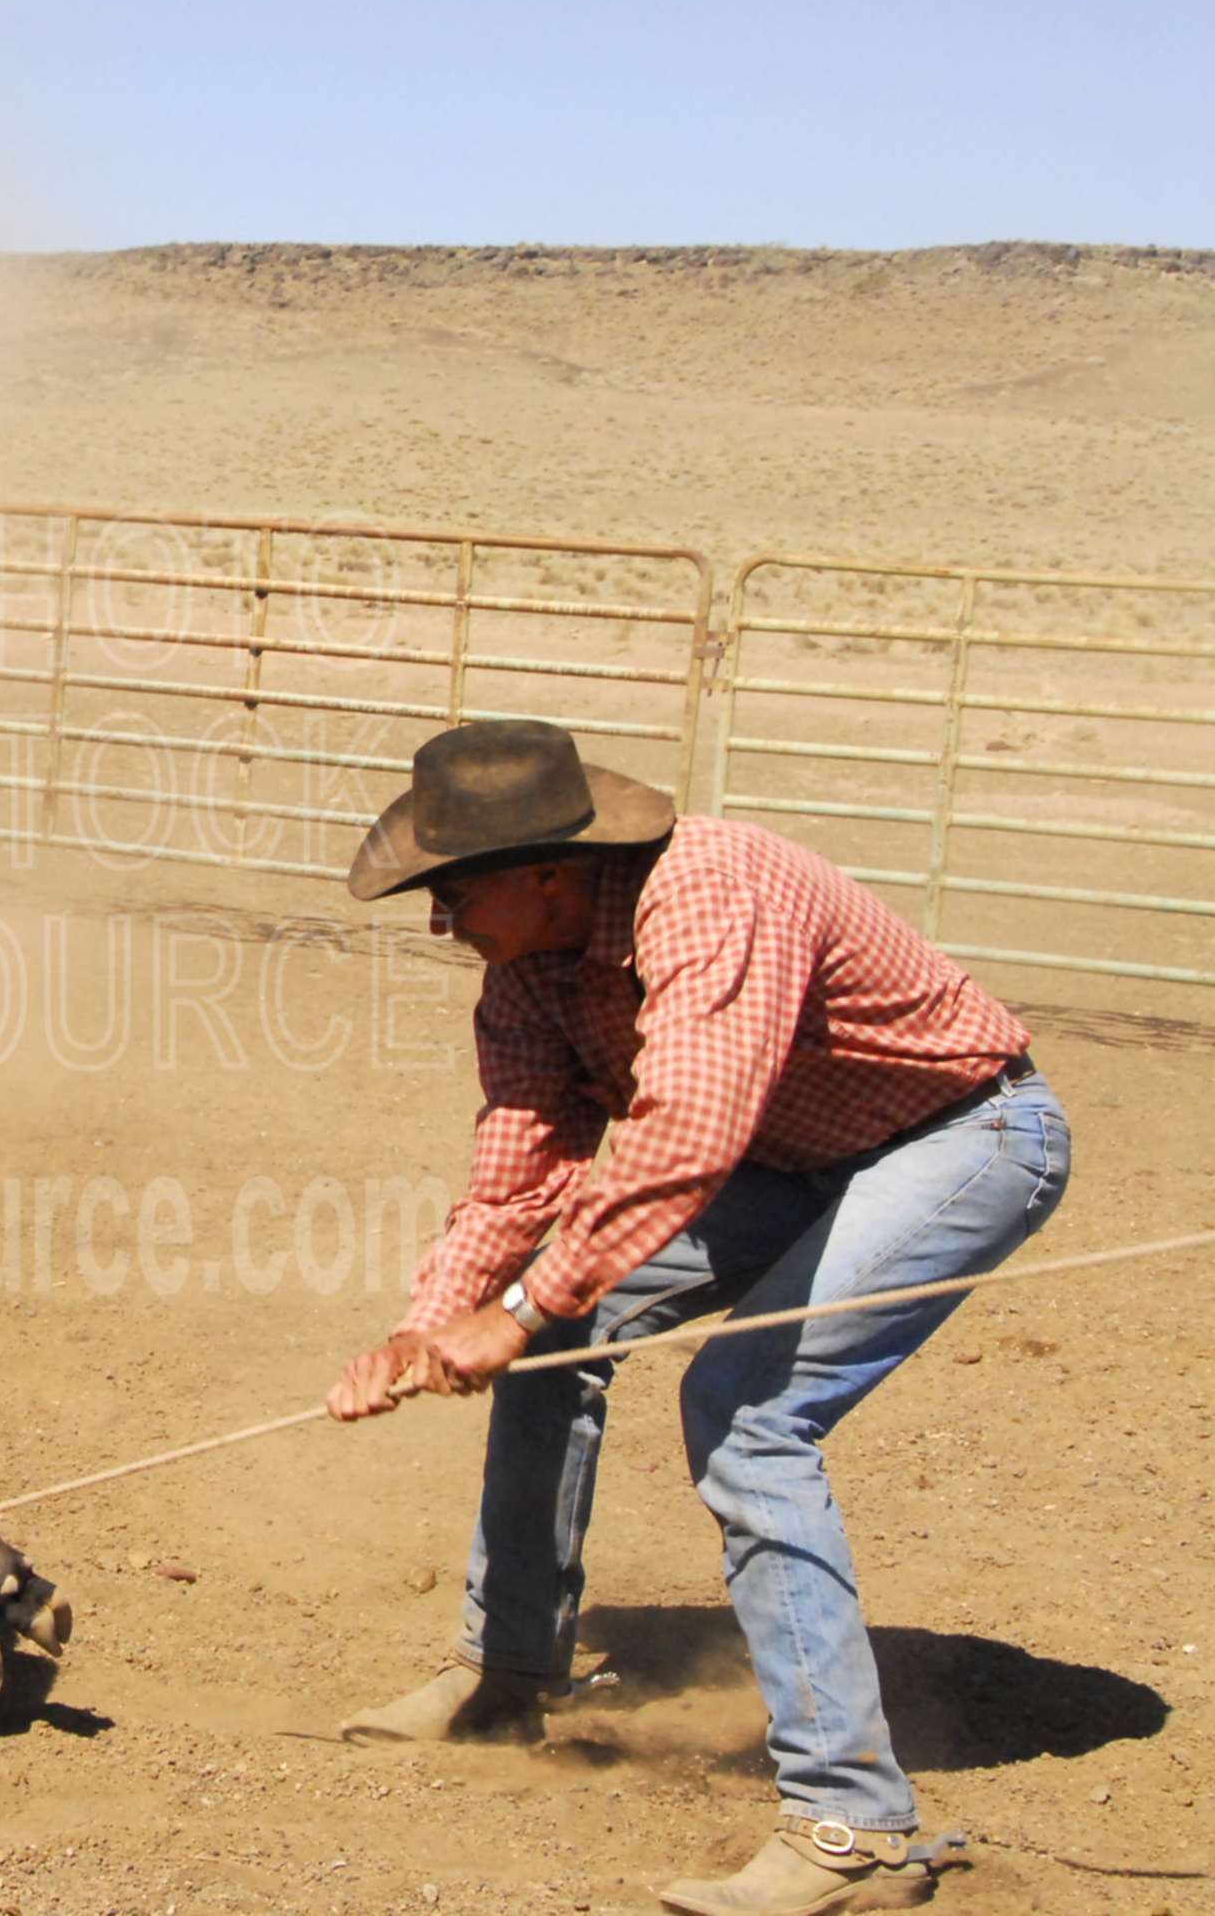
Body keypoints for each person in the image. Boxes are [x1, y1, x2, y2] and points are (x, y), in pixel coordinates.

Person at [324, 721, 1069, 1916]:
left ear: (546, 873)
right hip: (795, 1157)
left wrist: (516, 1307)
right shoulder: (524, 975)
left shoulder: (711, 889)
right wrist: (430, 1325)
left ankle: (854, 1826)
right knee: (560, 1326)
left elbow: (683, 1136)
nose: (439, 922)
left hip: (959, 1139)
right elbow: (522, 1170)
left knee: (745, 1411)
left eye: (455, 892)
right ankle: (505, 1673)